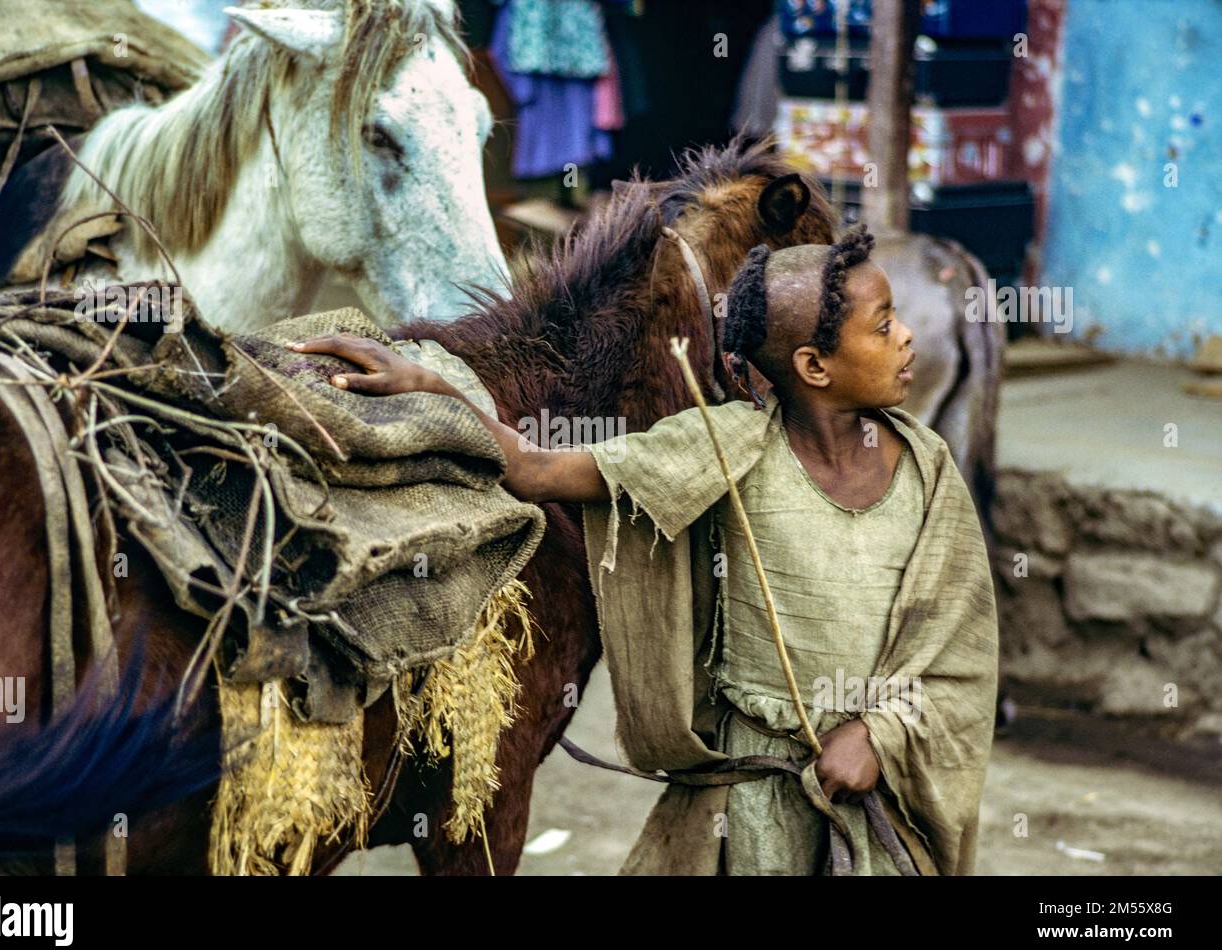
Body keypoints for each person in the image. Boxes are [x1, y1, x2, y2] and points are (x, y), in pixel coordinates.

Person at [289, 225, 999, 876]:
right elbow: (537, 468)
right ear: (814, 365)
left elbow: (959, 647)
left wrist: (881, 735)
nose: (909, 338)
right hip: (749, 808)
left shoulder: (927, 468)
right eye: (884, 327)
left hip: (882, 799)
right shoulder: (725, 447)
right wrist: (432, 388)